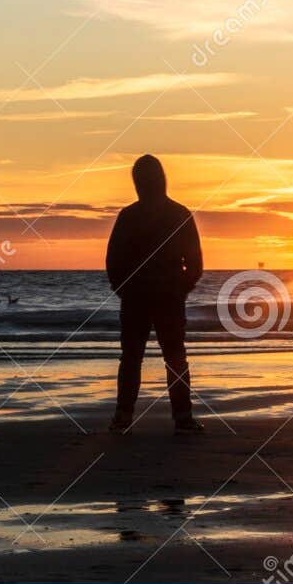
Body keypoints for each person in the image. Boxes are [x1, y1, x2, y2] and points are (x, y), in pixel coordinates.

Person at [104, 155, 205, 435]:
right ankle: (181, 417)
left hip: (144, 297)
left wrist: (124, 289)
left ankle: (124, 418)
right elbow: (195, 264)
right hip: (158, 296)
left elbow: (113, 261)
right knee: (171, 357)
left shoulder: (133, 216)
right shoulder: (178, 214)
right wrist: (180, 289)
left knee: (134, 358)